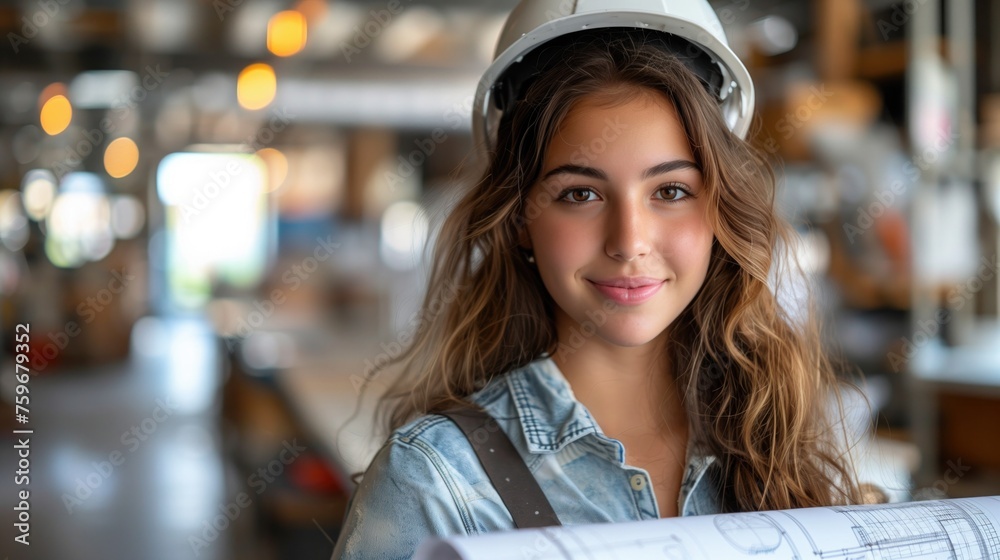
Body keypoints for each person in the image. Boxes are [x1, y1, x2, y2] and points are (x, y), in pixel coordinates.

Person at [331, 1, 870, 558]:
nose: (629, 240)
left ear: (720, 211)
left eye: (671, 191)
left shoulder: (774, 440)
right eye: (580, 194)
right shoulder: (435, 483)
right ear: (519, 218)